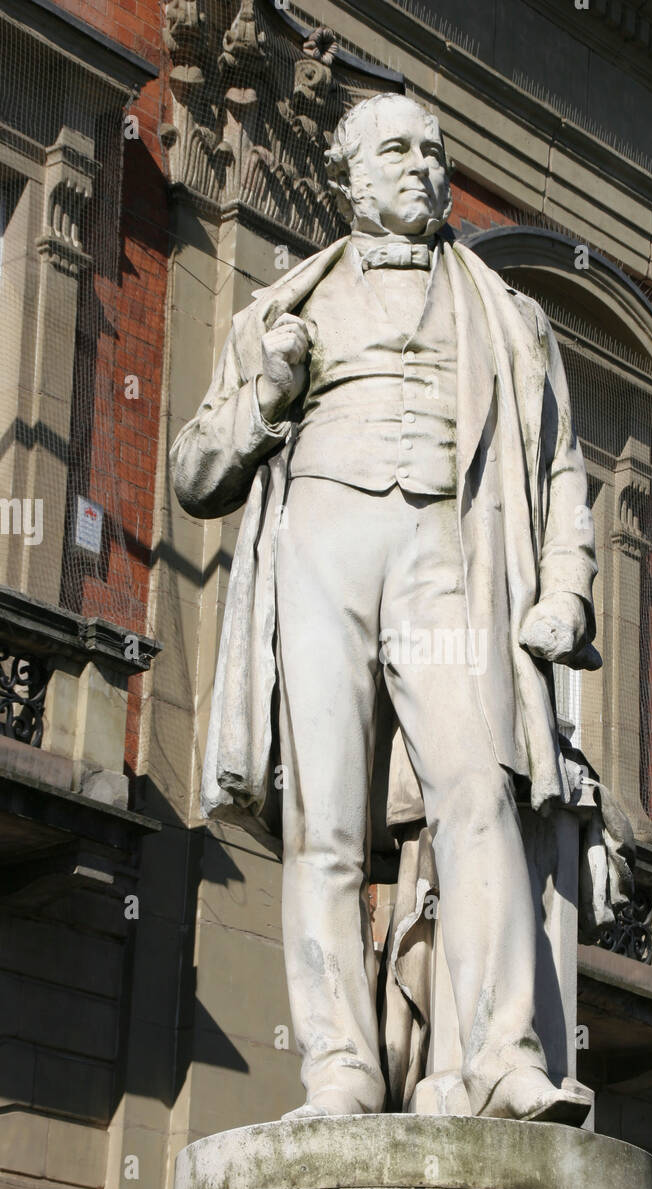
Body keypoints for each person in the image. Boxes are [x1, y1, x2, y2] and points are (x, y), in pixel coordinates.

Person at [171, 92, 598, 1125]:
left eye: (434, 151)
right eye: (397, 150)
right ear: (348, 176)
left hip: (448, 551)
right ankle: (338, 1070)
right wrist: (267, 397)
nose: (421, 167)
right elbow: (196, 473)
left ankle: (503, 1055)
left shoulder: (507, 314)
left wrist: (563, 591)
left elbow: (557, 473)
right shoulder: (286, 309)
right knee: (324, 820)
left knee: (476, 789)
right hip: (324, 541)